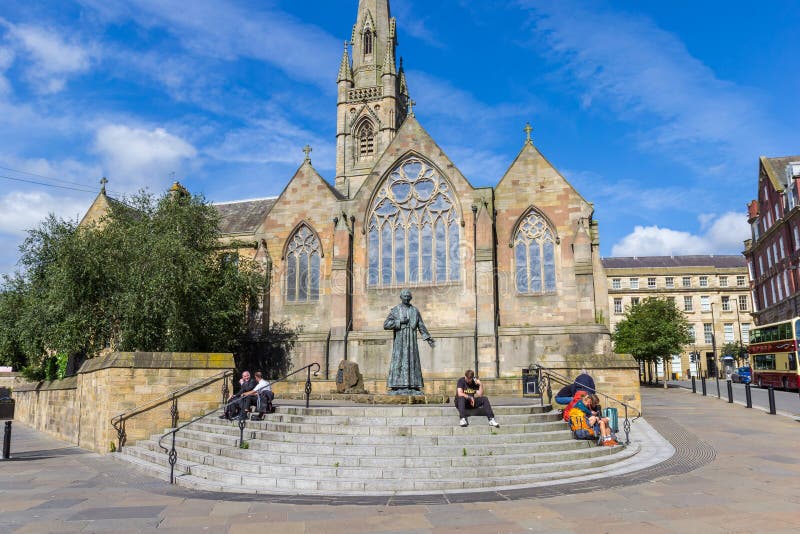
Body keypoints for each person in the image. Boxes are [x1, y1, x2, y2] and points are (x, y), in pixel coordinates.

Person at [384, 289, 435, 394]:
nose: (406, 298)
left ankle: (413, 385)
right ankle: (397, 385)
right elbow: (386, 325)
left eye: (408, 296)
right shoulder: (395, 310)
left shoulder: (415, 311)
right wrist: (399, 322)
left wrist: (428, 337)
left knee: (412, 360)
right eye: (404, 296)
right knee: (399, 361)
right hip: (400, 340)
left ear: (410, 298)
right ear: (401, 297)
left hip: (411, 340)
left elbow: (420, 325)